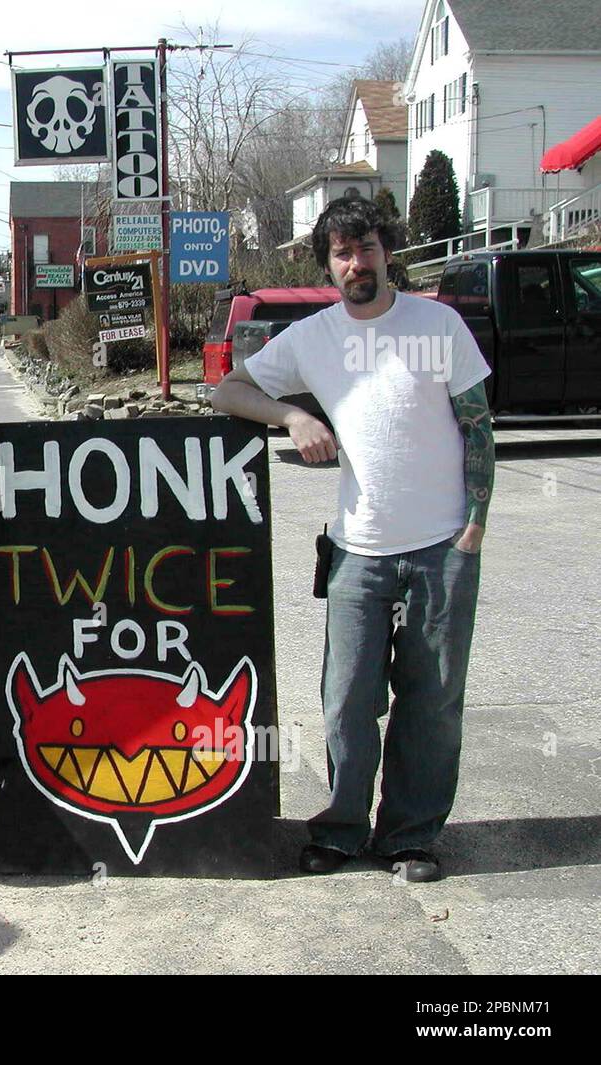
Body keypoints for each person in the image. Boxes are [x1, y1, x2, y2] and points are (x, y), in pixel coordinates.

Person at [210, 197, 494, 883]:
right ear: (327, 263)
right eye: (342, 252)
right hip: (357, 550)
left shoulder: (439, 324)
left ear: (386, 250)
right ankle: (340, 830)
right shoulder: (314, 337)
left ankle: (411, 837)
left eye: (366, 247)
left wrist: (475, 528)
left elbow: (478, 425)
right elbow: (225, 391)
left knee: (430, 702)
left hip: (441, 545)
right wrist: (289, 416)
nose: (357, 262)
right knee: (346, 699)